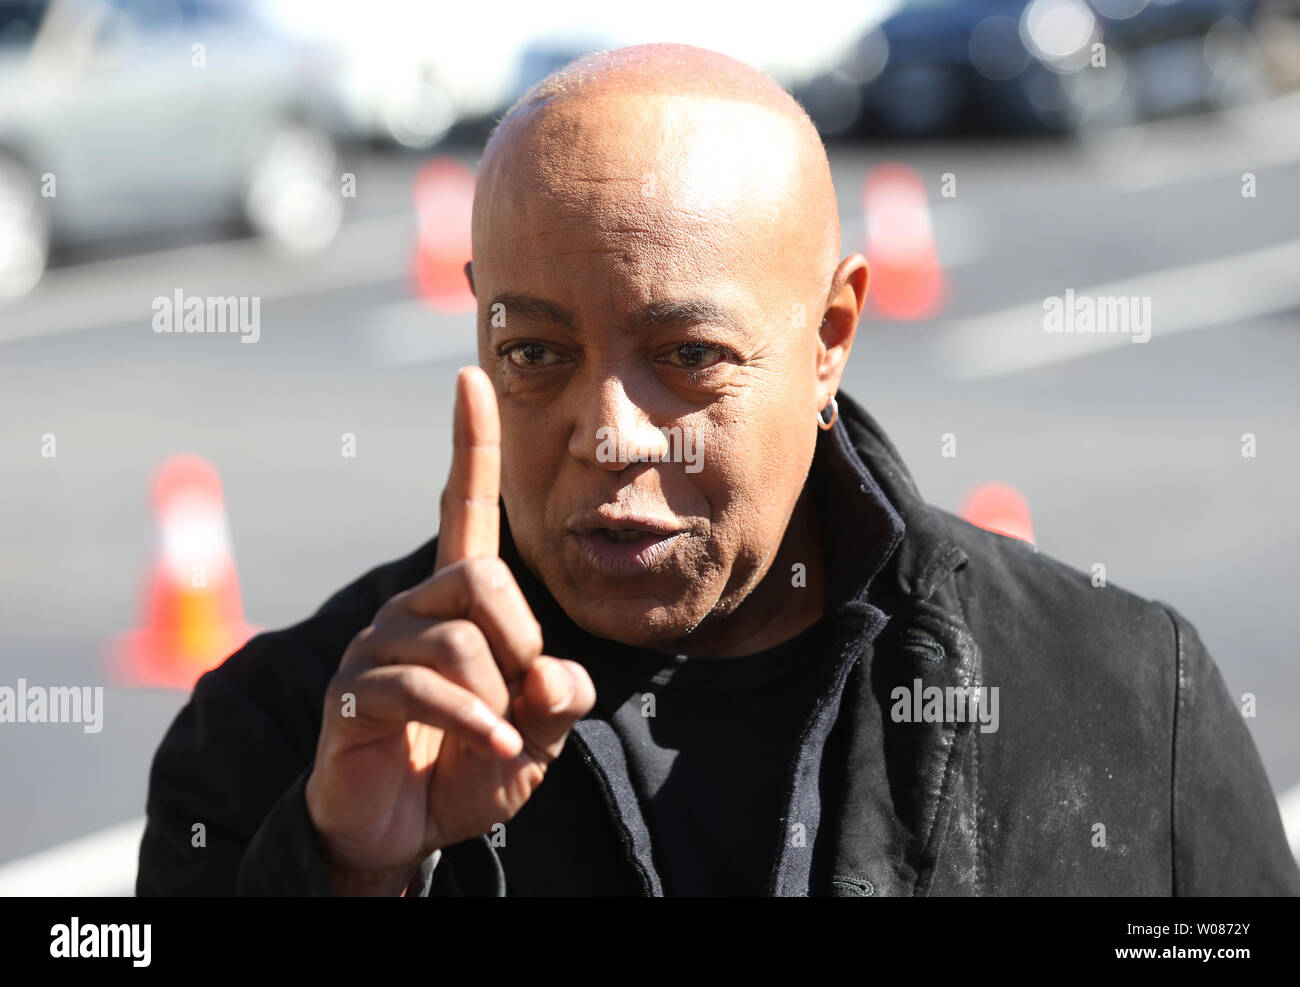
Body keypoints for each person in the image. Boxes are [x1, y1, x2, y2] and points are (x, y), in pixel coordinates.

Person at [137, 43, 1299, 896]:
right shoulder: (296, 736)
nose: (610, 434)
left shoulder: (1126, 700)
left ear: (830, 334)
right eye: (533, 353)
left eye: (688, 356)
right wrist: (339, 874)